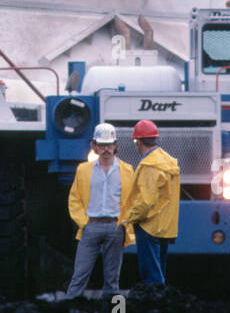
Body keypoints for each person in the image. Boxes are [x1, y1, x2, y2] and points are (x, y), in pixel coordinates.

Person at [65, 122, 136, 298]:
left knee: (113, 279)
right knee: (79, 275)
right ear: (94, 146)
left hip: (115, 227)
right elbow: (74, 199)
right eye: (102, 145)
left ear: (115, 146)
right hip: (91, 227)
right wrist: (84, 223)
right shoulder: (83, 170)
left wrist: (124, 222)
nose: (106, 149)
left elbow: (134, 199)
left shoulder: (127, 170)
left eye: (109, 144)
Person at [121, 119, 180, 285]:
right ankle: (161, 305)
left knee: (152, 276)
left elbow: (146, 201)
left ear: (138, 142)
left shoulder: (150, 165)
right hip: (164, 226)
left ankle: (155, 306)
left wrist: (128, 218)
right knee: (159, 270)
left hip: (149, 226)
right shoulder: (166, 161)